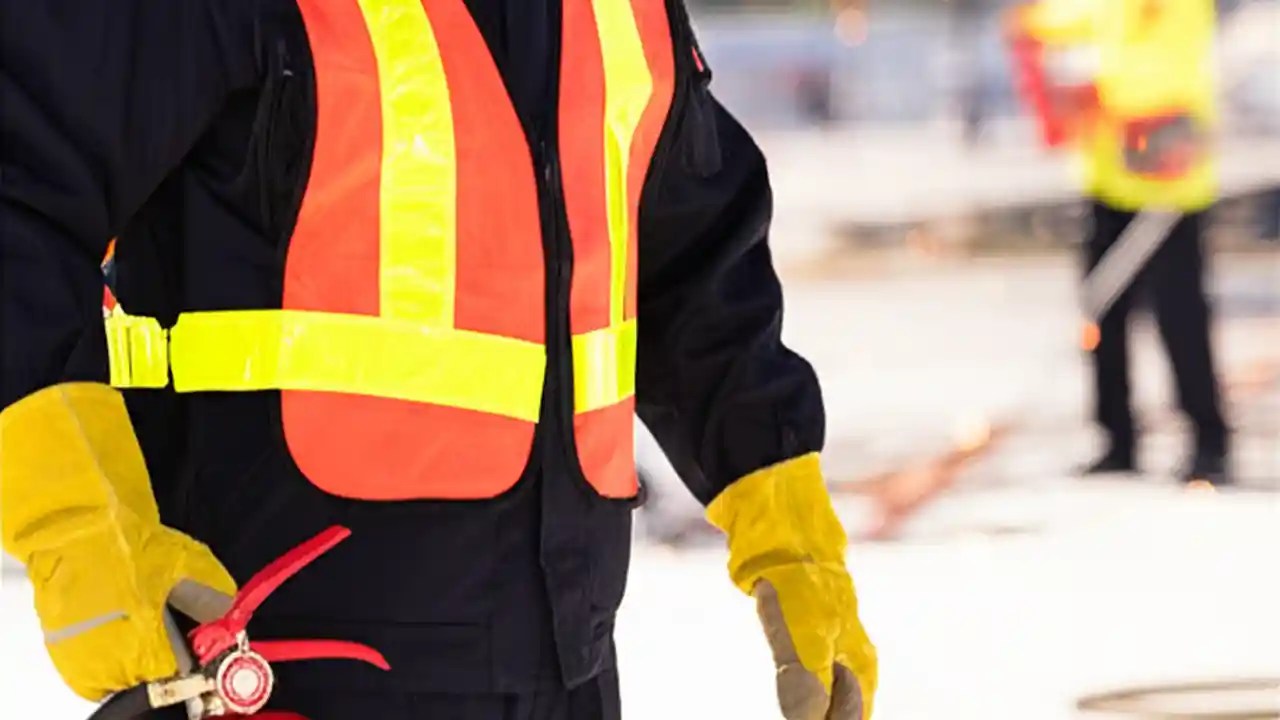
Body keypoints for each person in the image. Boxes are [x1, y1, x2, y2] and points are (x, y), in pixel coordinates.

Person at [0, 2, 878, 719]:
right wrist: (84, 531)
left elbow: (688, 257)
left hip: (566, 664)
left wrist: (791, 534)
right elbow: (20, 195)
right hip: (267, 657)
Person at [1011, 0, 1231, 485]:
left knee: (1179, 316)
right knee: (1102, 312)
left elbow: (1164, 69)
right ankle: (1116, 438)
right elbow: (1056, 21)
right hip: (1109, 176)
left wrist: (1104, 99)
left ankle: (1208, 441)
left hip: (1168, 178)